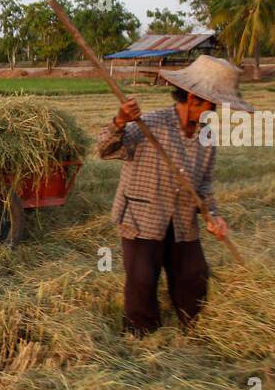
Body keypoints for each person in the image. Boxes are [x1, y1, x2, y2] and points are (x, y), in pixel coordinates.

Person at [94, 54, 252, 336]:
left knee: (194, 276)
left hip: (181, 222)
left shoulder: (206, 137)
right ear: (193, 99)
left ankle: (193, 328)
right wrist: (119, 121)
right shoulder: (149, 124)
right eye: (211, 106)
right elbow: (104, 150)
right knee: (142, 280)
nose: (213, 112)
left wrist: (213, 216)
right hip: (142, 219)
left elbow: (203, 186)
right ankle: (142, 335)